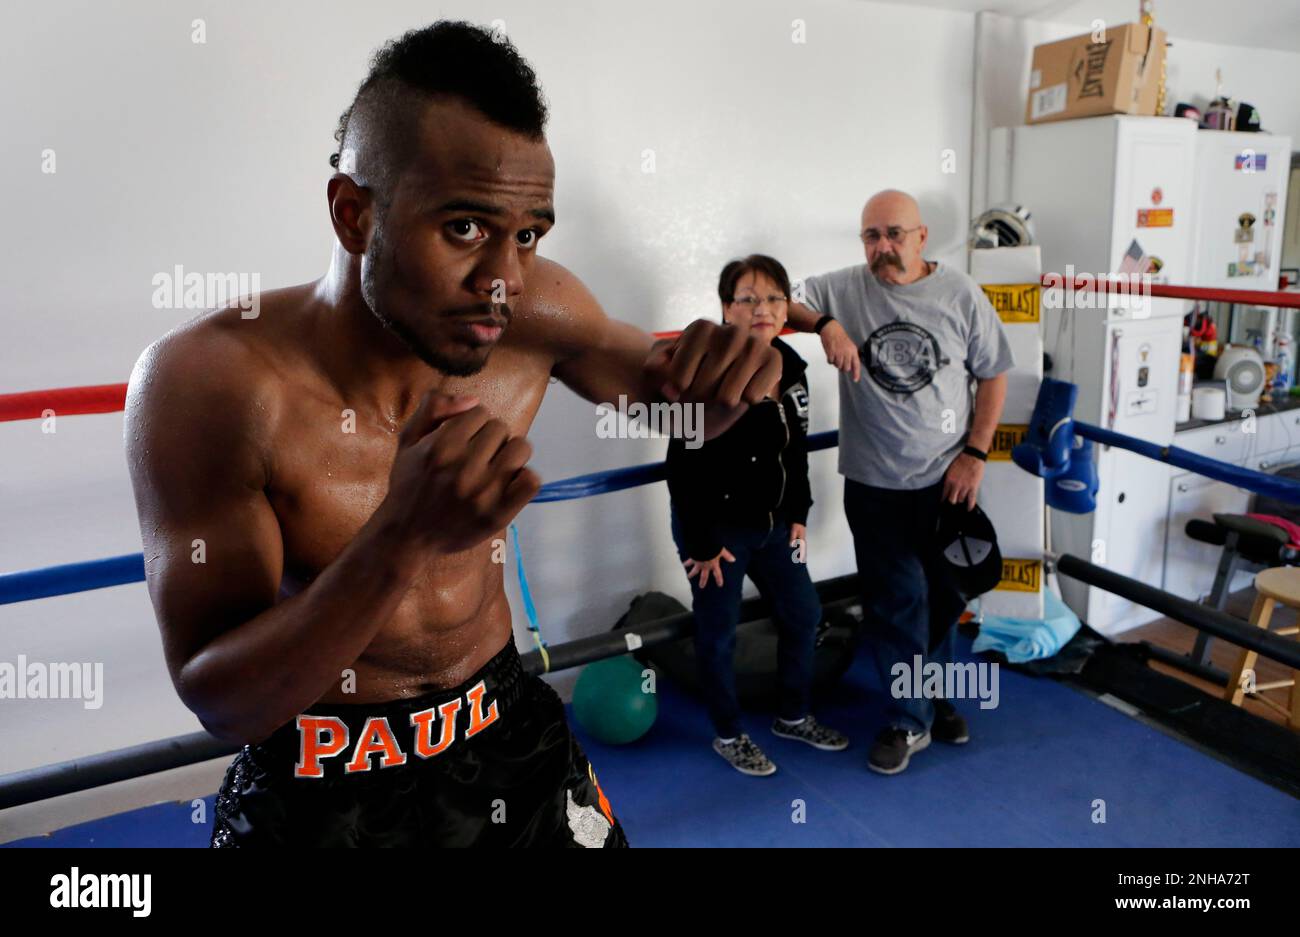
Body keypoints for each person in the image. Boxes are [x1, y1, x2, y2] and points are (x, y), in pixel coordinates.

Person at [124, 21, 781, 847]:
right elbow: (224, 703)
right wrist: (399, 537)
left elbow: (673, 402)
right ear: (354, 213)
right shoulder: (211, 385)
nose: (503, 280)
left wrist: (729, 386)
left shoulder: (535, 308)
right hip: (327, 773)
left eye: (529, 234)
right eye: (465, 228)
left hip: (500, 724)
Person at [785, 190, 1013, 775]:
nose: (882, 247)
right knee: (897, 603)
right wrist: (828, 325)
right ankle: (908, 721)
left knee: (943, 600)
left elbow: (993, 376)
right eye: (871, 236)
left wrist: (976, 453)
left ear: (921, 236)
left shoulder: (959, 293)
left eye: (893, 234)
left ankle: (933, 699)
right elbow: (781, 302)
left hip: (948, 481)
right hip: (874, 483)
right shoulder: (844, 287)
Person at [666, 255, 848, 776]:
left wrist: (799, 514)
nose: (762, 309)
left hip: (774, 526)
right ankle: (729, 733)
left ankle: (792, 716)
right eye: (747, 298)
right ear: (727, 308)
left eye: (773, 298)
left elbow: (796, 451)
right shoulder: (704, 366)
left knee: (804, 614)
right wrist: (700, 542)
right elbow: (681, 462)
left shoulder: (791, 367)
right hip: (716, 532)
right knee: (718, 631)